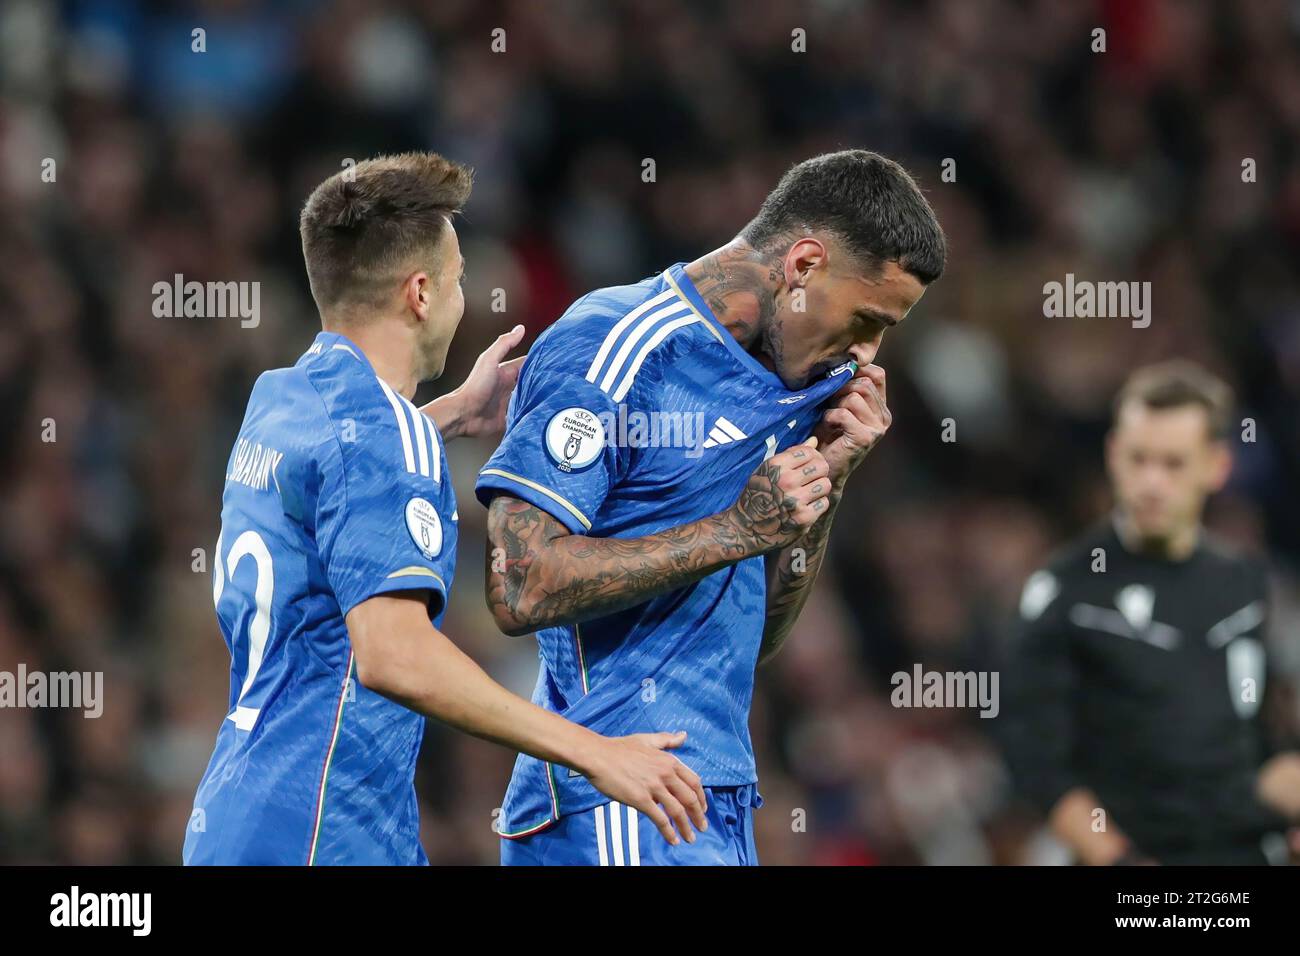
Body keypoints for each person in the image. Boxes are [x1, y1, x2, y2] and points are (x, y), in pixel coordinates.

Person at [183, 152, 706, 865]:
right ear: (421, 293)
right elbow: (393, 654)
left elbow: (336, 475)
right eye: (460, 281)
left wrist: (446, 417)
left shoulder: (281, 399)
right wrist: (594, 751)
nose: (465, 302)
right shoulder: (382, 435)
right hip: (323, 827)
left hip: (241, 811)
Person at [476, 149, 946, 864]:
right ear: (805, 265)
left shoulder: (787, 378)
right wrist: (734, 529)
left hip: (714, 795)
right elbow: (518, 584)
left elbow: (761, 638)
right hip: (617, 789)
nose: (867, 354)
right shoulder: (614, 342)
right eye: (867, 319)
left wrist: (826, 482)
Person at [1000, 360, 1300, 865]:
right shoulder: (1063, 592)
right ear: (1113, 455)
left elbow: (1260, 744)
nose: (1151, 482)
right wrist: (1117, 859)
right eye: (1138, 459)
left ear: (1217, 465)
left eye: (1173, 463)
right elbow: (1037, 764)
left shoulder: (1242, 580)